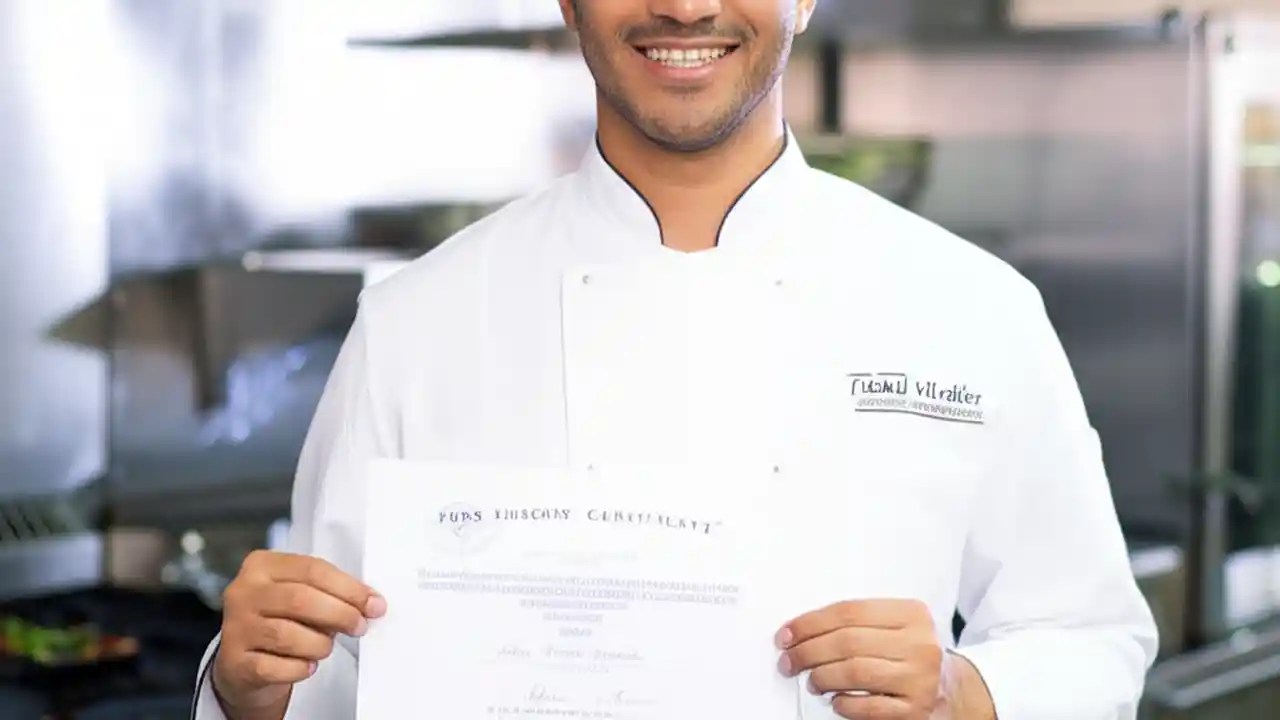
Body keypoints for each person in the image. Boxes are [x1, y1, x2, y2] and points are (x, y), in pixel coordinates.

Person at [191, 1, 1159, 718]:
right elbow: (343, 683)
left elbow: (1091, 639)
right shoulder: (416, 322)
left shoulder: (971, 307)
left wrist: (968, 694)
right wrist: (245, 687)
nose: (684, 7)